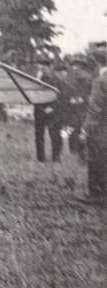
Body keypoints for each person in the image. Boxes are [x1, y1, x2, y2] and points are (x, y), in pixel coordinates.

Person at [79, 41, 107, 205]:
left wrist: (85, 129)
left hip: (100, 127)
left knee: (96, 158)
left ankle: (97, 194)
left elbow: (95, 109)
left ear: (96, 61)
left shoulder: (100, 81)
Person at [34, 58, 64, 162]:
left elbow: (60, 96)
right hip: (39, 110)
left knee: (54, 135)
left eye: (45, 67)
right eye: (40, 67)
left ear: (50, 67)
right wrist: (37, 80)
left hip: (52, 111)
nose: (43, 69)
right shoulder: (35, 80)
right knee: (39, 135)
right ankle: (41, 158)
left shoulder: (56, 80)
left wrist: (52, 107)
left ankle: (56, 157)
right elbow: (33, 95)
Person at [67, 57, 93, 158]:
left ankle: (84, 155)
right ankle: (76, 153)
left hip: (85, 112)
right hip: (73, 112)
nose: (75, 72)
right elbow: (68, 95)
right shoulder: (72, 82)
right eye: (74, 70)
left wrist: (83, 99)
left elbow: (92, 97)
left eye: (78, 70)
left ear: (83, 70)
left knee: (85, 133)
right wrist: (71, 100)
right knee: (73, 133)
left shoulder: (89, 82)